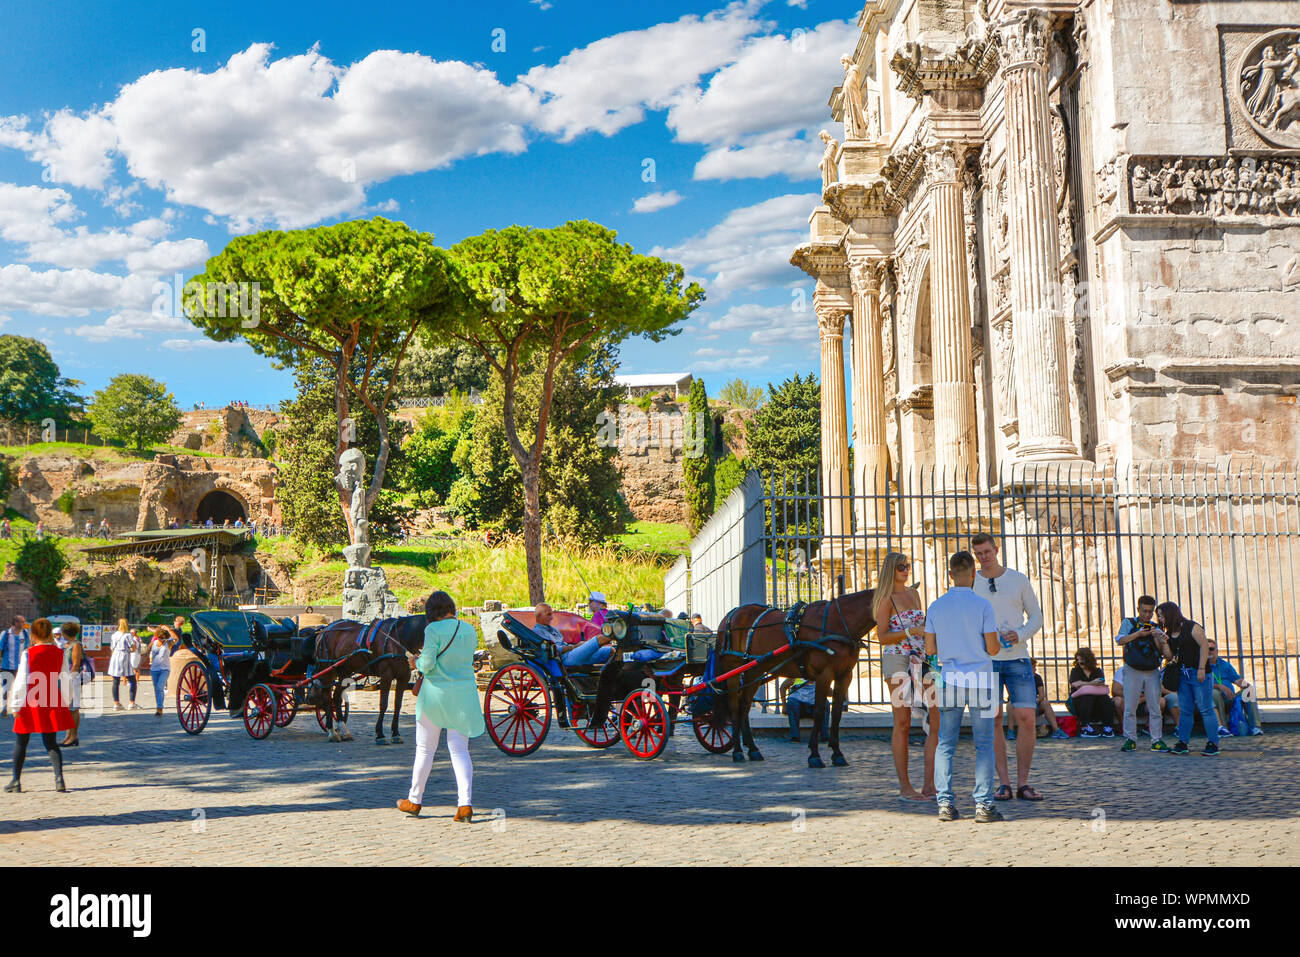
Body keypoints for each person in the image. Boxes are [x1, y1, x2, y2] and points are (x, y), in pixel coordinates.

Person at [924, 550, 1004, 823]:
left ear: (950, 574)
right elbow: (992, 648)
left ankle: (944, 803)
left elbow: (930, 648)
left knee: (946, 742)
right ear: (973, 574)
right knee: (984, 743)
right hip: (980, 677)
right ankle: (984, 805)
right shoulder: (982, 606)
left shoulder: (936, 606)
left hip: (950, 678)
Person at [971, 532, 1047, 802]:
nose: (983, 557)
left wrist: (1021, 633)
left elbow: (1036, 616)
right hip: (986, 661)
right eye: (978, 554)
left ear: (996, 549)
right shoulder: (971, 583)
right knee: (993, 721)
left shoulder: (1018, 579)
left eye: (987, 552)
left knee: (1027, 718)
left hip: (1017, 657)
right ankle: (1003, 783)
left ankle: (1023, 782)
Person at [397, 591, 483, 821]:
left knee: (425, 750)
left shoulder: (432, 630)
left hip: (435, 697)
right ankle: (464, 804)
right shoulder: (469, 630)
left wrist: (416, 662)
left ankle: (414, 800)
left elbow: (428, 664)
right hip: (464, 696)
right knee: (460, 750)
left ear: (431, 612)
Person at [872, 550, 938, 801]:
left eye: (907, 565)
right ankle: (905, 787)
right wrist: (911, 631)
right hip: (897, 659)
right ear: (891, 569)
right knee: (902, 720)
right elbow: (882, 637)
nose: (906, 570)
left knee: (936, 717)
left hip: (922, 659)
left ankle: (930, 784)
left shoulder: (914, 593)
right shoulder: (886, 598)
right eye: (901, 566)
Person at [5, 618, 72, 793]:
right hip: (51, 699)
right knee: (51, 743)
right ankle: (59, 779)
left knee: (21, 742)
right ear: (51, 633)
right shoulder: (60, 653)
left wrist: (15, 705)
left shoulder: (28, 654)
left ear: (33, 635)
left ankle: (16, 781)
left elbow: (21, 681)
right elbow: (65, 679)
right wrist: (66, 700)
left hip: (31, 700)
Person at [1158, 602, 1220, 756]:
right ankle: (1183, 742)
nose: (1160, 618)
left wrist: (1201, 668)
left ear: (1170, 614)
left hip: (1198, 672)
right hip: (1183, 674)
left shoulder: (1192, 626)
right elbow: (1170, 657)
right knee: (1185, 709)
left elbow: (1204, 646)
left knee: (1205, 708)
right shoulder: (1170, 632)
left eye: (1161, 615)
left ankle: (1213, 742)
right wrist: (1165, 643)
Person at [1113, 595, 1173, 752]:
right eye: (1144, 611)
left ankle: (1157, 739)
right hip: (1133, 669)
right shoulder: (1129, 623)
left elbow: (1162, 652)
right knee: (1130, 707)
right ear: (1138, 609)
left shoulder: (1155, 627)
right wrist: (1138, 634)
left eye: (1150, 612)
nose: (1147, 615)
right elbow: (1120, 640)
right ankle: (1130, 739)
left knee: (1155, 707)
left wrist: (1157, 638)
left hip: (1152, 670)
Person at [1206, 640, 1262, 736]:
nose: (1209, 651)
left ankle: (1255, 726)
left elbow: (1237, 679)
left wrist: (1246, 684)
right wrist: (1220, 686)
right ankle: (1223, 727)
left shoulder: (1224, 665)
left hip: (1230, 698)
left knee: (1249, 691)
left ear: (1217, 650)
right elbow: (1200, 685)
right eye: (1206, 649)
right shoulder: (1201, 667)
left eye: (1211, 649)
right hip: (1213, 700)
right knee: (1214, 693)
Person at [1068, 648, 1116, 737]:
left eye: (1081, 661)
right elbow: (1075, 684)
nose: (1079, 663)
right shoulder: (1075, 671)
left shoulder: (1097, 671)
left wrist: (1084, 684)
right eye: (1077, 660)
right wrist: (1092, 683)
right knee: (1087, 697)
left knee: (1105, 699)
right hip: (1080, 701)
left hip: (1097, 701)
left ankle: (1108, 726)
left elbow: (1101, 682)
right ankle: (1085, 727)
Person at [779, 677, 830, 744]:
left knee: (825, 703)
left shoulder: (819, 676)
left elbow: (830, 693)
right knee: (792, 702)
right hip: (800, 709)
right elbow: (782, 687)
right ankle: (795, 737)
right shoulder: (796, 676)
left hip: (814, 709)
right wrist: (784, 706)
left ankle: (825, 737)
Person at [58, 622, 86, 746]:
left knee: (74, 709)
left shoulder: (76, 645)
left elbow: (75, 664)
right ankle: (68, 735)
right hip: (65, 678)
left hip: (72, 679)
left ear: (65, 633)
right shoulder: (67, 644)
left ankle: (73, 736)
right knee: (69, 709)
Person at [0, 615, 30, 719]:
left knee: (21, 687)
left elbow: (28, 648)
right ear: (16, 623)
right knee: (6, 688)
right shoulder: (6, 634)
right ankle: (4, 707)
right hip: (6, 666)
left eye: (24, 621)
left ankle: (19, 707)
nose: (24, 624)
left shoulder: (25, 634)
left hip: (20, 667)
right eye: (22, 622)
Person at [1029, 659, 1068, 738]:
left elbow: (1042, 695)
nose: (1035, 669)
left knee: (1045, 703)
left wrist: (1037, 700)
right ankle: (1011, 731)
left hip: (1034, 702)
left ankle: (1056, 729)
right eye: (1033, 667)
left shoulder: (1037, 677)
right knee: (1010, 705)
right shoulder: (1017, 678)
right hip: (1021, 704)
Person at [108, 618, 140, 710]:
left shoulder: (114, 635)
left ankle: (116, 703)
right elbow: (133, 648)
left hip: (115, 656)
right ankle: (131, 703)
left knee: (115, 681)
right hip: (124, 656)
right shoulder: (128, 635)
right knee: (132, 680)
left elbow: (112, 648)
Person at [148, 626, 177, 716]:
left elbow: (176, 639)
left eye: (163, 638)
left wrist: (168, 629)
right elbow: (146, 654)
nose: (161, 640)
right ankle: (158, 706)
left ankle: (160, 708)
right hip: (154, 669)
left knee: (160, 687)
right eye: (160, 638)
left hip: (165, 669)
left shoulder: (168, 643)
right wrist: (139, 665)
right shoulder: (153, 643)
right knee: (156, 689)